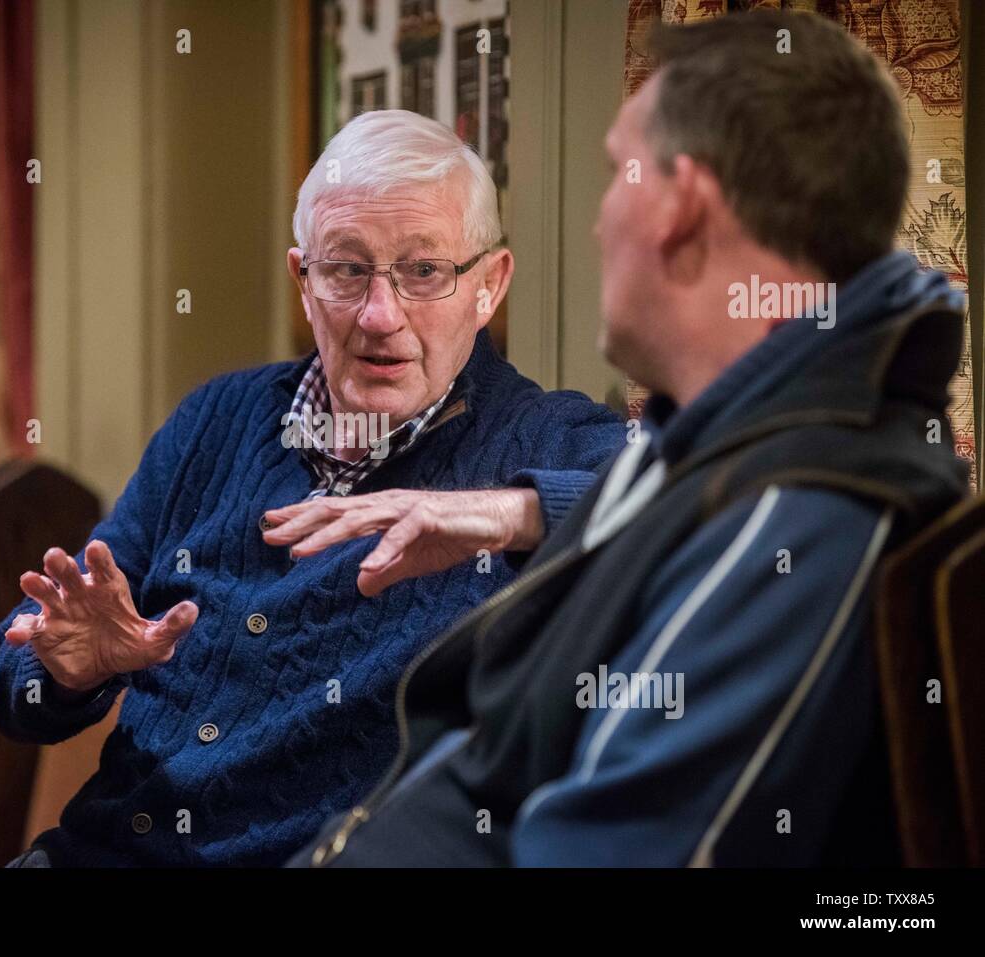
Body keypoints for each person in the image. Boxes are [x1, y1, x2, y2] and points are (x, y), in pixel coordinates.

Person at [290, 10, 969, 867]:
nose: (599, 220)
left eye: (619, 174)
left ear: (682, 208)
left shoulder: (794, 516)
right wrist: (516, 514)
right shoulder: (706, 444)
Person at [0, 109, 625, 866]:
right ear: (303, 279)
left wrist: (502, 511)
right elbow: (11, 682)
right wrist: (66, 669)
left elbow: (697, 487)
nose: (381, 316)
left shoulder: (543, 436)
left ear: (489, 286)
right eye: (347, 270)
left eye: (423, 272)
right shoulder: (215, 419)